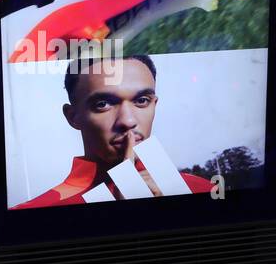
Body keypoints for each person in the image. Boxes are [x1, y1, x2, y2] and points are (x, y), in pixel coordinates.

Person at [13, 54, 211, 207]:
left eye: (142, 101)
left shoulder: (204, 190)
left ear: (154, 105)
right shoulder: (30, 215)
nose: (127, 121)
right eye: (103, 104)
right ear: (73, 117)